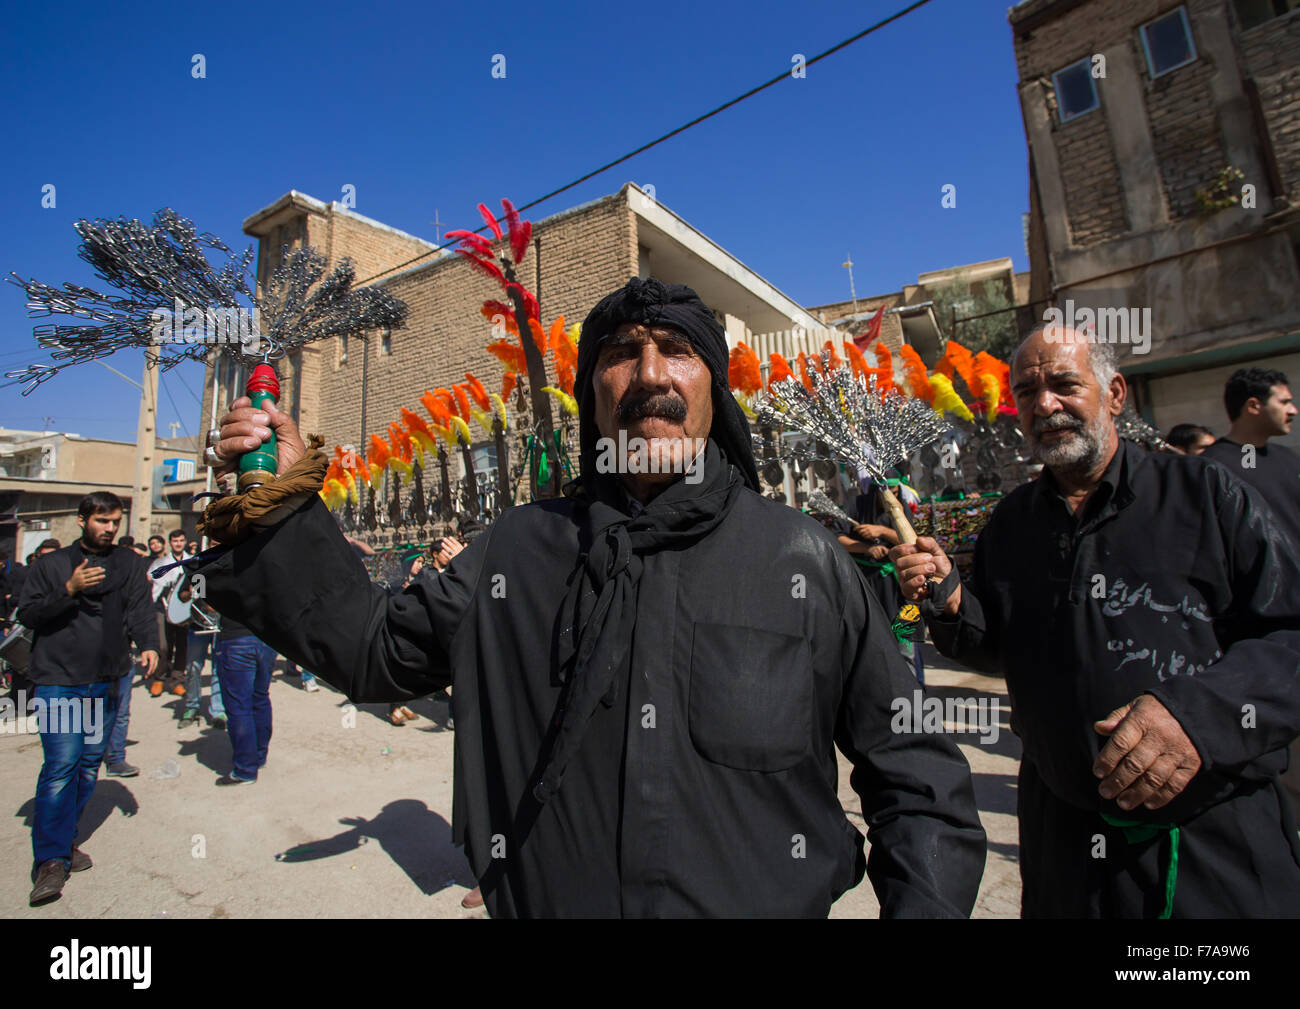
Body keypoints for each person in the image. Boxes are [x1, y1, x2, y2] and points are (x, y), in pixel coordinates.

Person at [199, 276, 986, 918]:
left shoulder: (803, 560)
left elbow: (918, 780)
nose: (650, 375)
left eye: (677, 352)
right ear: (594, 394)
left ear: (714, 390)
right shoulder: (513, 552)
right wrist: (285, 511)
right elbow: (371, 649)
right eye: (620, 355)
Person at [891, 326, 1300, 918]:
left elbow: (1289, 633)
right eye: (1027, 391)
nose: (1045, 404)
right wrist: (952, 600)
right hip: (1067, 851)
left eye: (1064, 384)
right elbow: (1001, 646)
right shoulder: (1012, 524)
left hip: (1208, 844)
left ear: (1114, 394)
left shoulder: (1204, 494)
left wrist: (1198, 717)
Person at [18, 492, 158, 905]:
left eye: (115, 521)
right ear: (83, 521)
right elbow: (28, 615)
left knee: (85, 769)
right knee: (61, 766)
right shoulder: (51, 565)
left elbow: (140, 608)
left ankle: (63, 838)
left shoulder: (129, 563)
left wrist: (149, 644)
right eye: (102, 521)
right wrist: (70, 588)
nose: (110, 528)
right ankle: (50, 860)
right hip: (60, 681)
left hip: (105, 680)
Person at [1199, 367, 1300, 549]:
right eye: (1284, 402)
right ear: (1253, 406)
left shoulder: (1288, 457)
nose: (1293, 411)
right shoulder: (1212, 468)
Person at [103, 539, 155, 777]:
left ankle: (115, 758)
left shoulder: (135, 584)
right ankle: (89, 755)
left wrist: (147, 644)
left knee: (121, 711)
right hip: (91, 659)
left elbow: (141, 612)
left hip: (123, 655)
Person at [212, 615, 276, 785]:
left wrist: (195, 590)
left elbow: (207, 602)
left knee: (239, 706)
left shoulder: (213, 585)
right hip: (267, 639)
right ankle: (259, 756)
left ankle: (246, 768)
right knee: (260, 698)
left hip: (236, 639)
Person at [146, 530, 191, 697]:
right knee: (164, 646)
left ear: (185, 542)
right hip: (162, 608)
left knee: (182, 645)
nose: (178, 544)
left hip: (184, 610)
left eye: (181, 540)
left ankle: (177, 681)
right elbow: (153, 583)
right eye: (175, 541)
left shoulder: (193, 561)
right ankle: (159, 677)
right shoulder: (160, 562)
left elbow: (200, 584)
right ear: (170, 543)